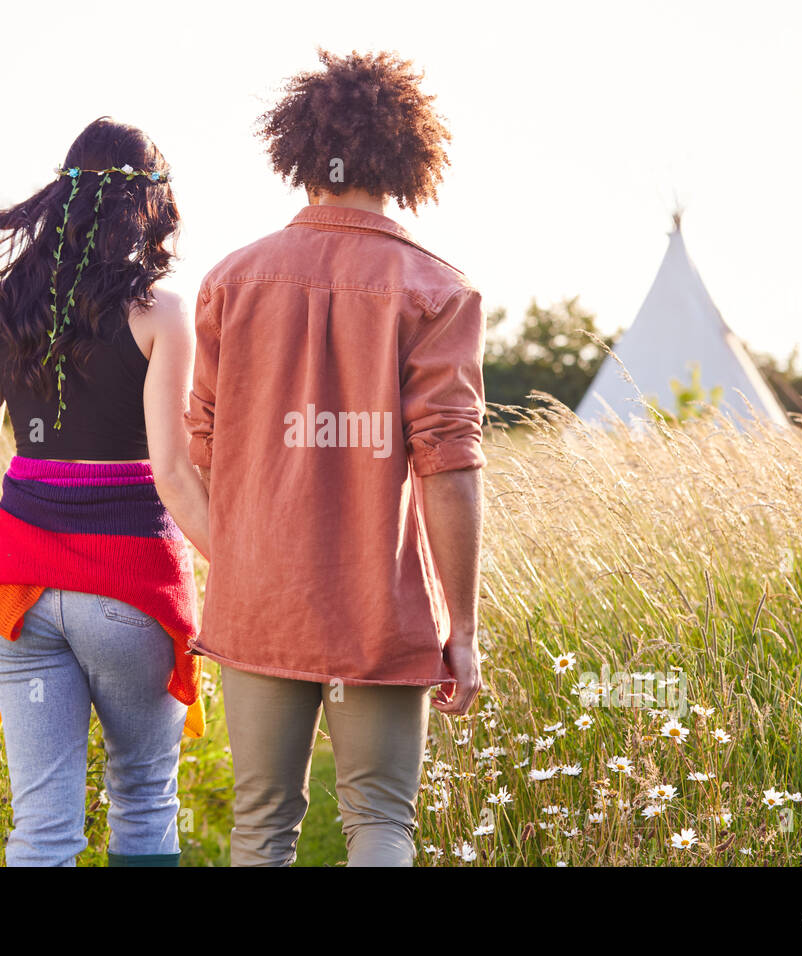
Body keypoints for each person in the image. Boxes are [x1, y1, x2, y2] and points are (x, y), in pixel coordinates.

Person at [184, 50, 486, 867]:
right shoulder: (436, 290)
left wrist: (248, 556)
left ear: (302, 151)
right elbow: (448, 465)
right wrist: (463, 625)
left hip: (257, 606)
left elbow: (199, 449)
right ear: (407, 156)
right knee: (381, 822)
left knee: (261, 827)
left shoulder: (227, 282)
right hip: (378, 610)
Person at [0, 117, 209, 867]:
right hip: (131, 594)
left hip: (21, 601)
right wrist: (240, 568)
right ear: (150, 206)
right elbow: (171, 470)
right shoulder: (159, 311)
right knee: (143, 797)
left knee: (42, 826)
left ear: (61, 198)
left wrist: (5, 568)